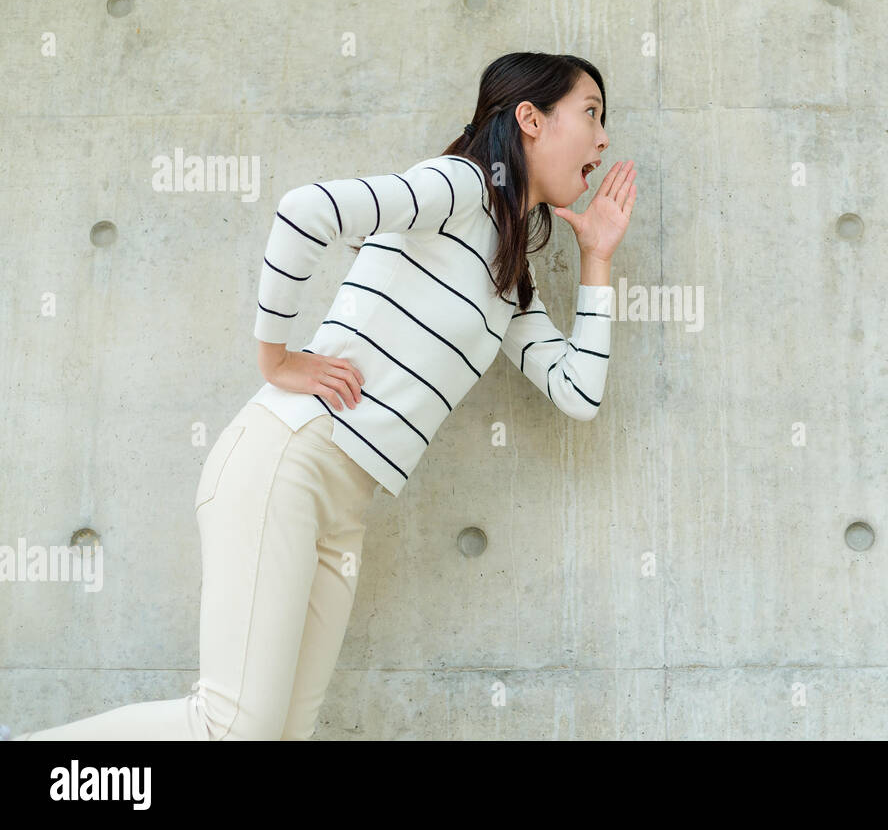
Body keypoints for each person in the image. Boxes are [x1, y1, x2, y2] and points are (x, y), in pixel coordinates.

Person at [8, 52, 637, 740]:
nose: (603, 140)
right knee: (229, 725)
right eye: (591, 114)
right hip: (291, 460)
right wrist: (276, 357)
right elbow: (305, 211)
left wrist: (598, 258)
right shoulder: (457, 186)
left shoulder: (510, 279)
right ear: (530, 120)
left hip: (343, 511)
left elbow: (578, 391)